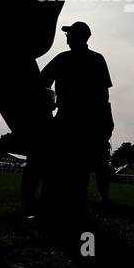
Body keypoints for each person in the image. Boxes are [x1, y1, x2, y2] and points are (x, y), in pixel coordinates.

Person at [38, 22, 113, 232]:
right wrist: (106, 120)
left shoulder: (64, 58)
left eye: (70, 34)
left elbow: (42, 80)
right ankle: (74, 212)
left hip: (69, 119)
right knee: (78, 168)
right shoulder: (96, 59)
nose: (67, 37)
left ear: (79, 36)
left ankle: (53, 210)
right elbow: (104, 96)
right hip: (86, 121)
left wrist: (48, 101)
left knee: (58, 166)